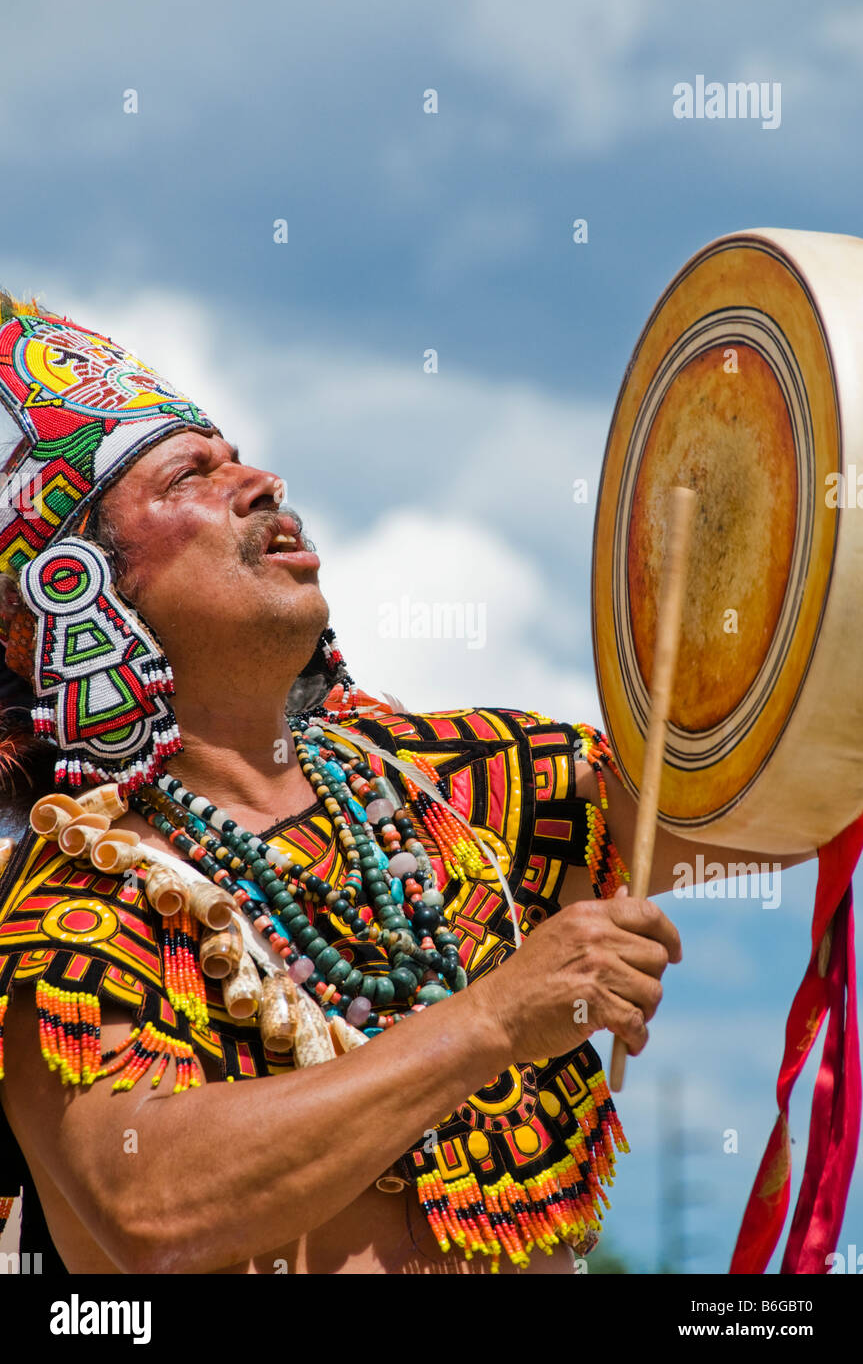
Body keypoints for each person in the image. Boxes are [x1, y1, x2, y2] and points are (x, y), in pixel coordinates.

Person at [0, 292, 811, 1275]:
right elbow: (152, 1212)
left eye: (239, 457)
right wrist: (496, 1018)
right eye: (191, 476)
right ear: (81, 591)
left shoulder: (460, 786)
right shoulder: (72, 900)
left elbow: (776, 804)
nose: (259, 483)